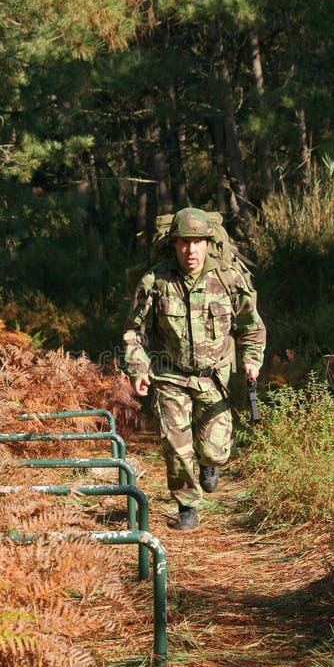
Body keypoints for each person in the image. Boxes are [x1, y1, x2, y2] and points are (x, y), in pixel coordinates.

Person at [123, 207, 266, 530]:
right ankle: (187, 505)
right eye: (184, 243)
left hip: (214, 377)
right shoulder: (156, 280)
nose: (191, 250)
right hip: (170, 375)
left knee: (215, 451)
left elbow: (251, 326)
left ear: (207, 243)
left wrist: (251, 359)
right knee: (175, 445)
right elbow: (134, 331)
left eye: (197, 242)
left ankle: (209, 464)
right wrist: (138, 368)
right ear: (174, 244)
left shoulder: (228, 279)